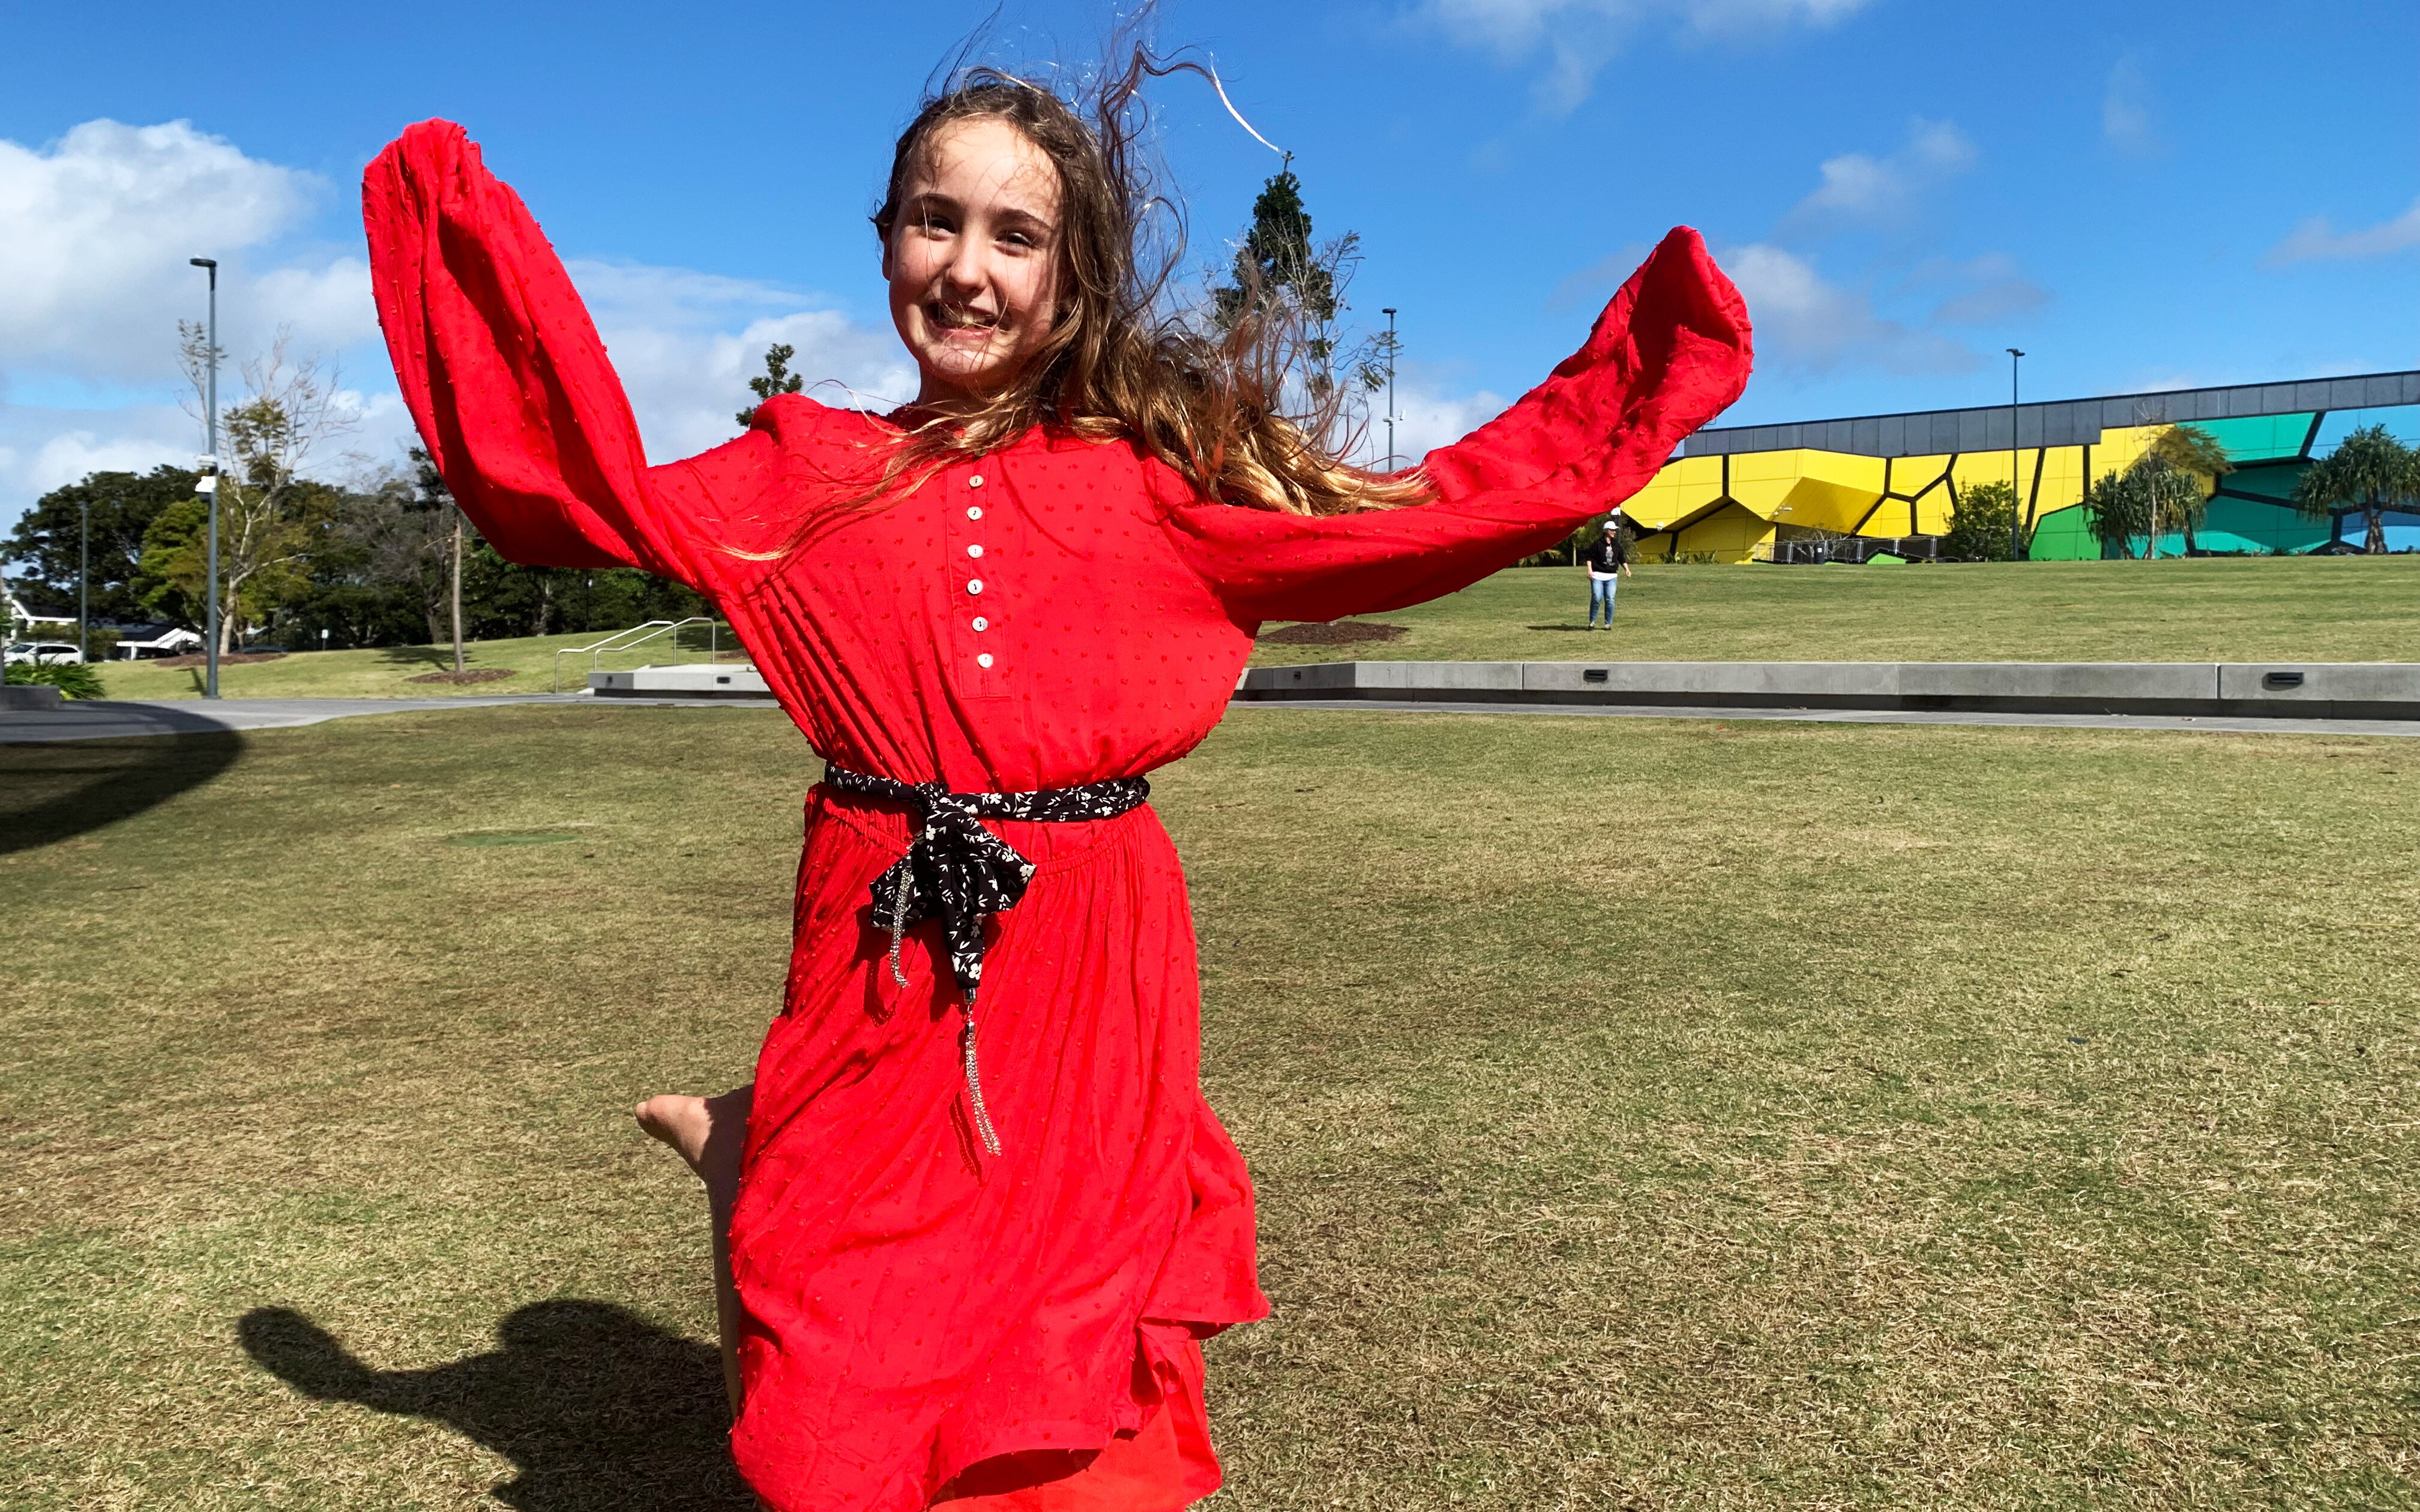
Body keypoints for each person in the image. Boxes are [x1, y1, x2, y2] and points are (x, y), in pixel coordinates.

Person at [361, 61, 1750, 1512]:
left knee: (1067, 1431)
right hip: (878, 944)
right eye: (931, 221)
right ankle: (753, 1148)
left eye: (1014, 237)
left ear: (1073, 275)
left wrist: (1631, 386)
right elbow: (572, 490)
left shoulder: (1167, 475)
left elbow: (1422, 524)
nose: (966, 270)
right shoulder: (798, 472)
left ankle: (744, 1141)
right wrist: (461, 252)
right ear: (886, 235)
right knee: (829, 1415)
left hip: (1091, 964)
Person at [1584, 508, 1631, 628]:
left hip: (1612, 577)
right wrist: (1590, 570)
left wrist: (1627, 569)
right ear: (1606, 531)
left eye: (1615, 531)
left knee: (1610, 599)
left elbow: (1621, 559)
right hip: (1598, 575)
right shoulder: (1597, 544)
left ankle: (1608, 623)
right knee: (1596, 597)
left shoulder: (1617, 545)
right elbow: (1589, 558)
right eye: (1612, 530)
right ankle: (1592, 621)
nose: (1614, 532)